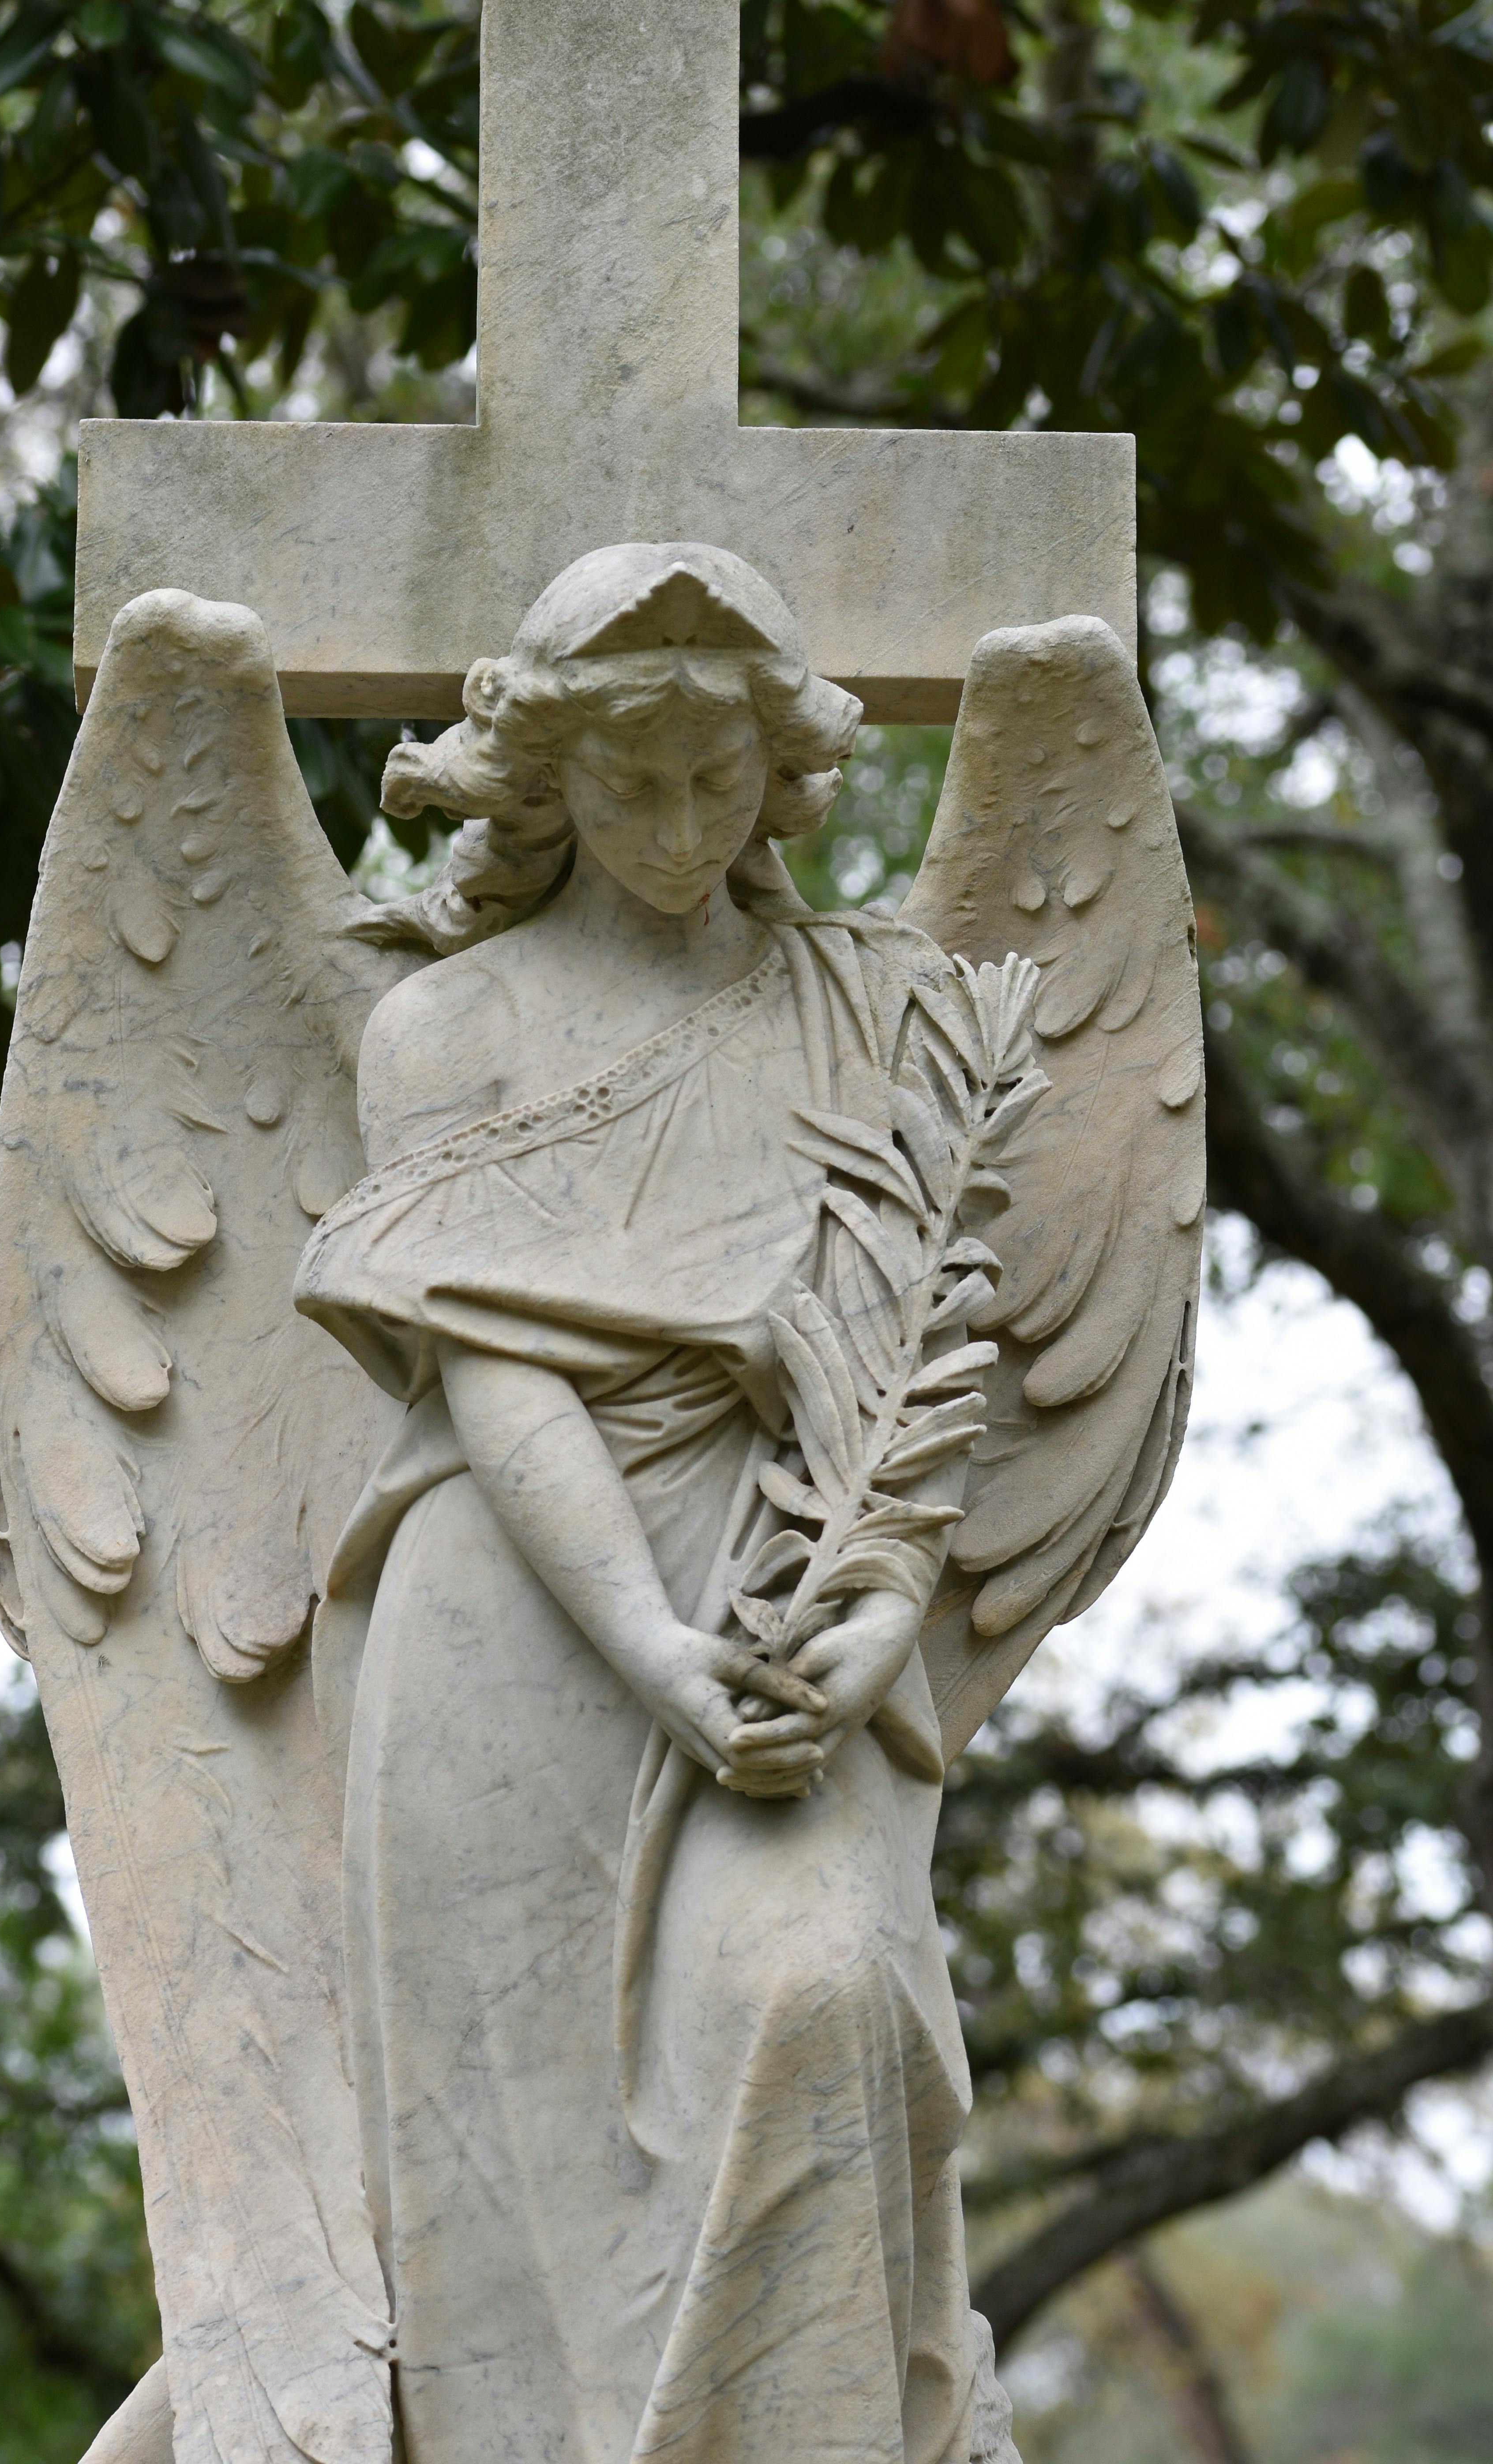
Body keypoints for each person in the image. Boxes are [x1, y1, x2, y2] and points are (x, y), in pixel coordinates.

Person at [294, 542, 1017, 2464]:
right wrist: (642, 1643)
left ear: (781, 775)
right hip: (520, 1613)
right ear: (543, 783)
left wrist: (874, 1611)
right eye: (627, 784)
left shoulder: (875, 1008)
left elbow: (927, 1325)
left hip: (793, 1587)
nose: (679, 825)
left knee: (814, 1998)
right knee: (517, 2194)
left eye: (717, 780)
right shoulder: (448, 1031)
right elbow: (492, 1358)